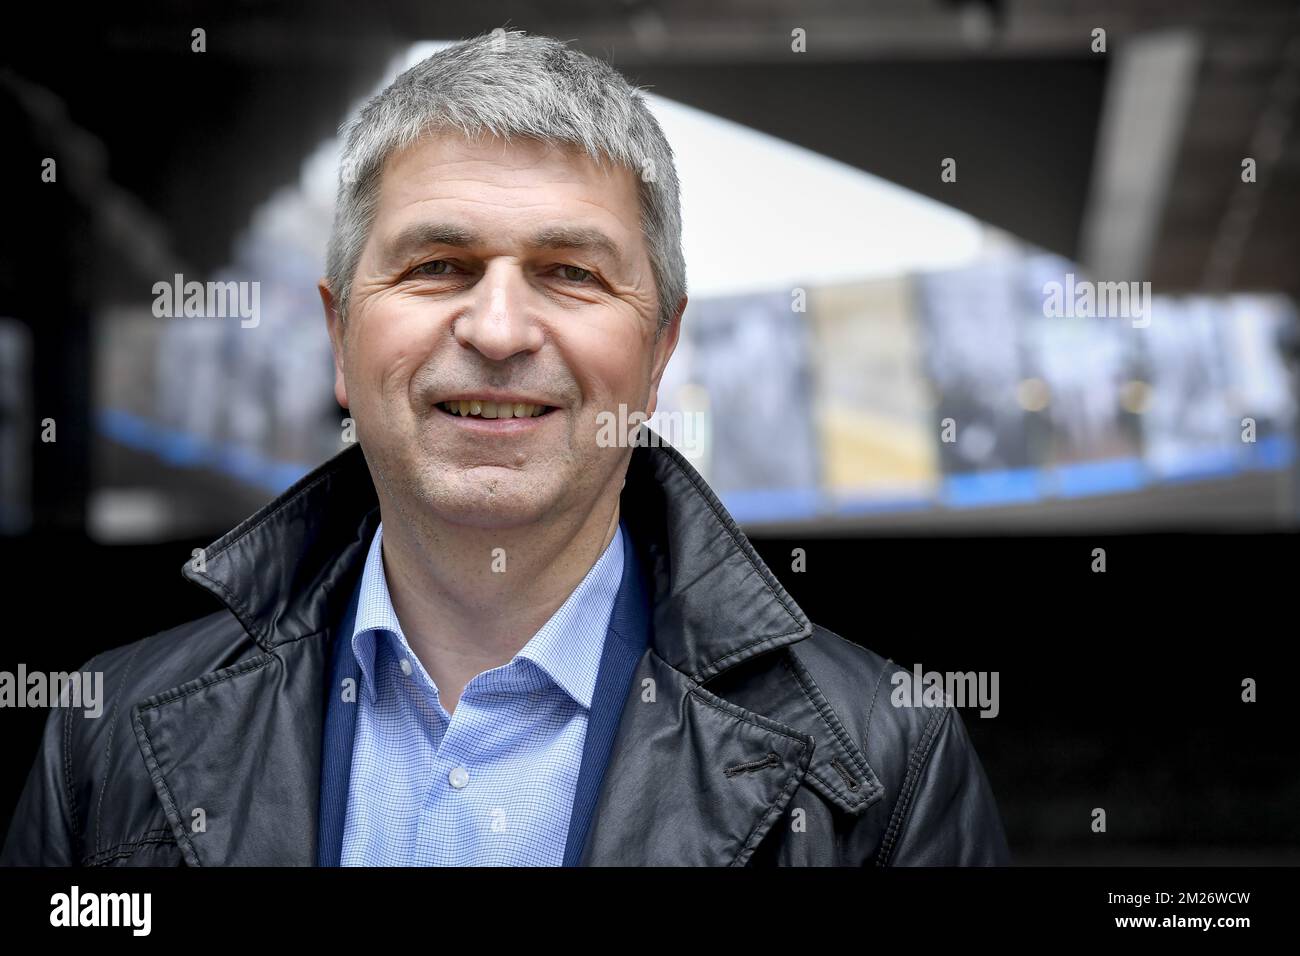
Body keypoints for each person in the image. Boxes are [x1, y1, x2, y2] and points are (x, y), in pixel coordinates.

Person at [1, 29, 1009, 867]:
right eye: (438, 264)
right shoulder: (106, 736)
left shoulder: (887, 759)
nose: (496, 328)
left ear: (658, 351)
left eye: (569, 272)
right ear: (340, 336)